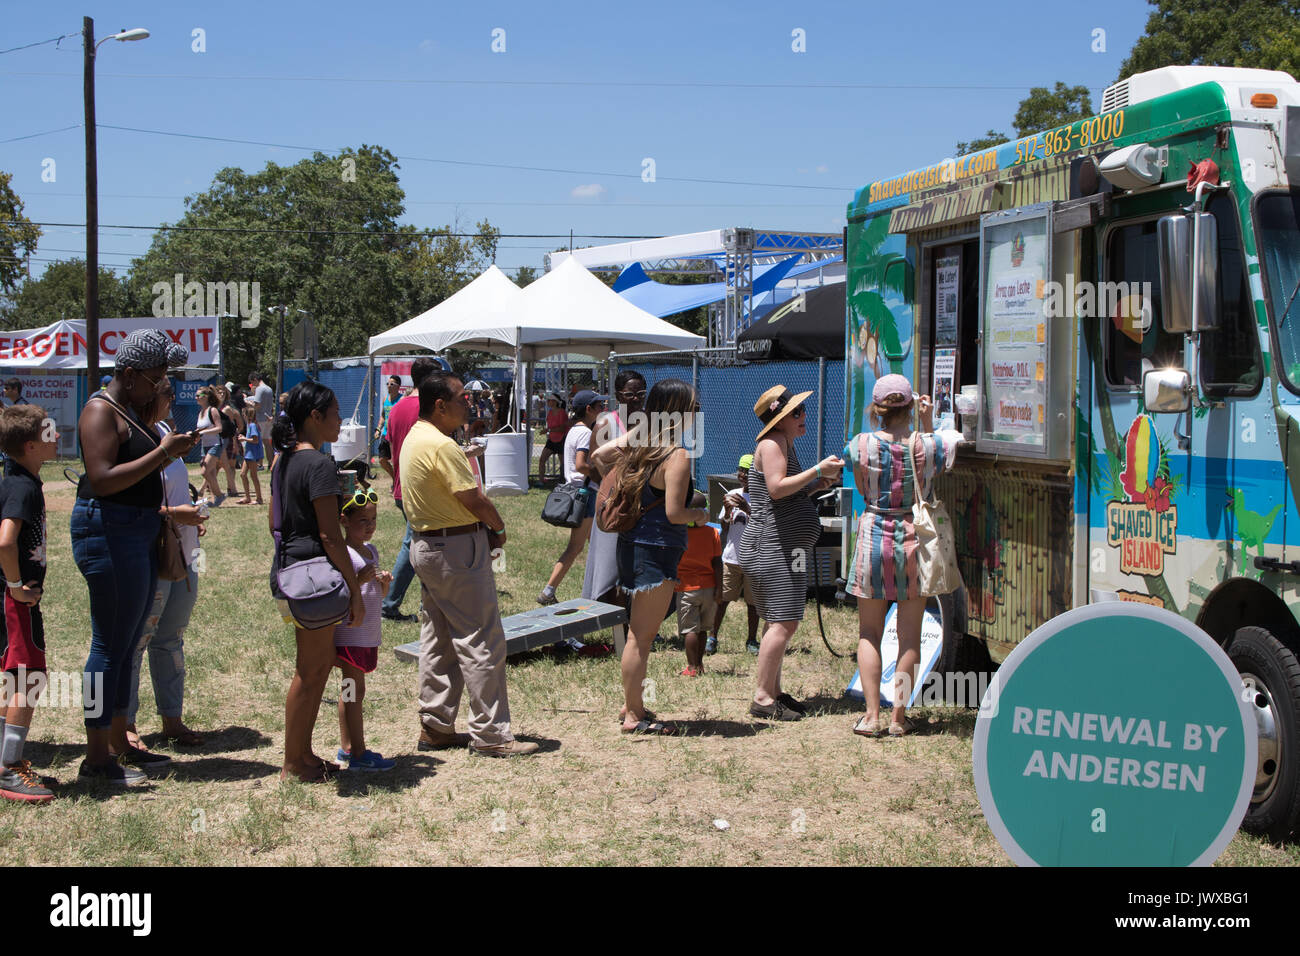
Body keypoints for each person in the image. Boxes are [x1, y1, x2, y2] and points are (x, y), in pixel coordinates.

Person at [72, 329, 203, 785]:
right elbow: (102, 478)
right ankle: (95, 759)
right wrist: (164, 453)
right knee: (107, 647)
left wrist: (169, 452)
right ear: (128, 375)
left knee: (126, 645)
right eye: (154, 379)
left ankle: (119, 743)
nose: (159, 387)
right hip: (108, 532)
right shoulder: (98, 411)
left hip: (137, 532)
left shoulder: (128, 410)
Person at [403, 372, 538, 758]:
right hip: (456, 548)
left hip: (428, 545)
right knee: (481, 639)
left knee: (439, 638)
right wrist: (498, 526)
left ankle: (436, 725)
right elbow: (473, 498)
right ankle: (492, 734)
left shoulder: (416, 437)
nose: (471, 405)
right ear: (440, 405)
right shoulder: (441, 445)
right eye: (463, 399)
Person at [842, 375, 961, 737]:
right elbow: (941, 454)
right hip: (915, 541)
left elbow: (861, 484)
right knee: (910, 637)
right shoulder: (927, 446)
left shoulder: (860, 445)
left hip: (874, 537)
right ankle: (898, 717)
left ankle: (872, 716)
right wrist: (926, 421)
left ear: (876, 410)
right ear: (911, 405)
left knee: (869, 632)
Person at [590, 378, 709, 736]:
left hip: (631, 544)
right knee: (640, 637)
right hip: (657, 549)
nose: (698, 413)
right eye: (694, 407)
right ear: (678, 412)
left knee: (636, 633)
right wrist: (700, 516)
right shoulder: (677, 454)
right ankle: (634, 716)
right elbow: (675, 513)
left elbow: (598, 456)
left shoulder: (642, 442)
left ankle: (632, 703)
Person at [269, 381, 364, 783]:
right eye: (335, 412)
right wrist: (355, 589)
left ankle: (304, 755)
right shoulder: (320, 465)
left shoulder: (283, 461)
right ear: (314, 417)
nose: (340, 420)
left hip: (290, 575)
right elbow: (330, 535)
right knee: (310, 671)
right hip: (313, 580)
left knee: (317, 666)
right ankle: (293, 763)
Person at [739, 385, 844, 722]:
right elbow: (775, 488)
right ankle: (764, 698)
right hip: (773, 547)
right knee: (784, 622)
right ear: (779, 419)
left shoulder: (784, 444)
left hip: (787, 547)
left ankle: (775, 691)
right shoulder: (772, 443)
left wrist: (816, 485)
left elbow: (784, 494)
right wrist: (816, 471)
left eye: (801, 411)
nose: (803, 417)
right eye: (796, 413)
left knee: (779, 621)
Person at [126, 377, 208, 752]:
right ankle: (124, 725)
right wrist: (176, 514)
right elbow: (126, 502)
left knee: (171, 640)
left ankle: (172, 720)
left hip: (181, 551)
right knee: (135, 642)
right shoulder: (130, 436)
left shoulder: (162, 431)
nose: (172, 400)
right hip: (151, 554)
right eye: (166, 394)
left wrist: (189, 515)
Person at [0, 404, 57, 801]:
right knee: (26, 679)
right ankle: (9, 768)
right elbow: (5, 540)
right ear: (32, 445)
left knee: (10, 678)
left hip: (9, 600)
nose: (56, 435)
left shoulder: (14, 479)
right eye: (49, 431)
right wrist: (17, 585)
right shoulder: (22, 487)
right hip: (17, 601)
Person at [331, 488, 396, 771]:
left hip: (367, 633)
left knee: (352, 690)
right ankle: (357, 752)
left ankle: (347, 748)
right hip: (350, 634)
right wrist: (358, 578)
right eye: (362, 521)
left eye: (373, 519)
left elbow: (377, 597)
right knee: (352, 690)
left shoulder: (371, 550)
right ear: (344, 521)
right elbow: (340, 591)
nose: (369, 526)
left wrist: (384, 584)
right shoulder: (343, 553)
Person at [380, 357, 439, 623]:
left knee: (417, 543)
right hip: (422, 488)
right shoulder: (428, 409)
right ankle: (390, 604)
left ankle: (404, 602)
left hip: (402, 488)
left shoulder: (396, 408)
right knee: (416, 545)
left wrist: (396, 479)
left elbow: (386, 450)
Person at [582, 371, 647, 606]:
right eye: (630, 394)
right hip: (613, 503)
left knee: (635, 567)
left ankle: (632, 617)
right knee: (609, 565)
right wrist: (615, 487)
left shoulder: (648, 422)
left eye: (641, 393)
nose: (636, 399)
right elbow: (591, 466)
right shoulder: (606, 423)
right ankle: (609, 619)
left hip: (640, 505)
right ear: (619, 395)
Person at [537, 389, 605, 606]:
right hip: (585, 495)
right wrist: (600, 475)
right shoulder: (585, 432)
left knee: (596, 547)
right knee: (575, 548)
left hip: (578, 493)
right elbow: (580, 465)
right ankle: (548, 590)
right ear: (588, 409)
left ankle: (599, 591)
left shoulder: (574, 430)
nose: (602, 409)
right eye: (598, 406)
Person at [711, 454, 762, 656]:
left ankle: (751, 639)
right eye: (741, 470)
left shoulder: (763, 498)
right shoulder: (732, 493)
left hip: (753, 560)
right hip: (731, 558)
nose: (743, 475)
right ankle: (712, 637)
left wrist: (746, 508)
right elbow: (724, 526)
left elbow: (764, 528)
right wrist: (726, 509)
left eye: (749, 472)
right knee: (722, 599)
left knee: (753, 603)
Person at [674, 493, 722, 677]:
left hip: (686, 589)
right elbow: (717, 563)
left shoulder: (679, 534)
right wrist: (719, 589)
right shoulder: (713, 533)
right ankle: (700, 664)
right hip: (709, 588)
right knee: (703, 629)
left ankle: (691, 667)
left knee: (690, 631)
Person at [195, 387, 223, 505]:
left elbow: (219, 428)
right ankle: (216, 498)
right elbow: (200, 429)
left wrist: (203, 432)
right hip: (204, 446)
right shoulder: (201, 412)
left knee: (204, 472)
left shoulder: (213, 411)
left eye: (198, 395)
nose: (196, 398)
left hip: (215, 445)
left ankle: (219, 496)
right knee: (210, 474)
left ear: (206, 396)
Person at [217, 385, 245, 501]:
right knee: (216, 465)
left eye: (223, 392)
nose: (221, 394)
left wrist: (234, 443)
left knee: (231, 465)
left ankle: (231, 488)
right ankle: (208, 487)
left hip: (228, 439)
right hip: (217, 440)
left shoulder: (227, 409)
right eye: (219, 392)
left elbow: (235, 426)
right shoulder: (212, 407)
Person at [236, 398, 264, 505]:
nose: (242, 416)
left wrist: (244, 439)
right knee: (243, 474)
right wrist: (244, 437)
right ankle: (247, 497)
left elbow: (255, 440)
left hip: (252, 454)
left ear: (247, 415)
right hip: (248, 453)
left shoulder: (252, 425)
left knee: (253, 476)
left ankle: (259, 498)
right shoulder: (250, 425)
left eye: (243, 414)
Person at [374, 375, 402, 483]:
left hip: (396, 436)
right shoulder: (385, 399)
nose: (389, 386)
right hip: (385, 434)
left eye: (392, 384)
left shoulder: (402, 400)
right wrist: (378, 429)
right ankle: (395, 480)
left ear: (398, 387)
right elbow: (382, 415)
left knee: (396, 461)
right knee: (382, 460)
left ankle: (398, 483)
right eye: (388, 384)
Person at [537, 394, 567, 483]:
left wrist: (548, 430)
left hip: (561, 440)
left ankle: (563, 481)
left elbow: (562, 428)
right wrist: (547, 430)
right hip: (551, 440)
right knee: (542, 460)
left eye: (550, 400)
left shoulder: (562, 412)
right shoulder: (550, 412)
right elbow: (550, 426)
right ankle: (541, 480)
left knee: (563, 463)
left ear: (555, 402)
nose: (548, 402)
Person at [248, 371, 275, 462]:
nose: (252, 385)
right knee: (268, 442)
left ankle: (265, 463)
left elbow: (257, 405)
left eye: (252, 382)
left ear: (255, 379)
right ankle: (271, 462)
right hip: (268, 417)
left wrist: (248, 403)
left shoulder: (260, 389)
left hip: (261, 418)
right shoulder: (269, 388)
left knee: (262, 443)